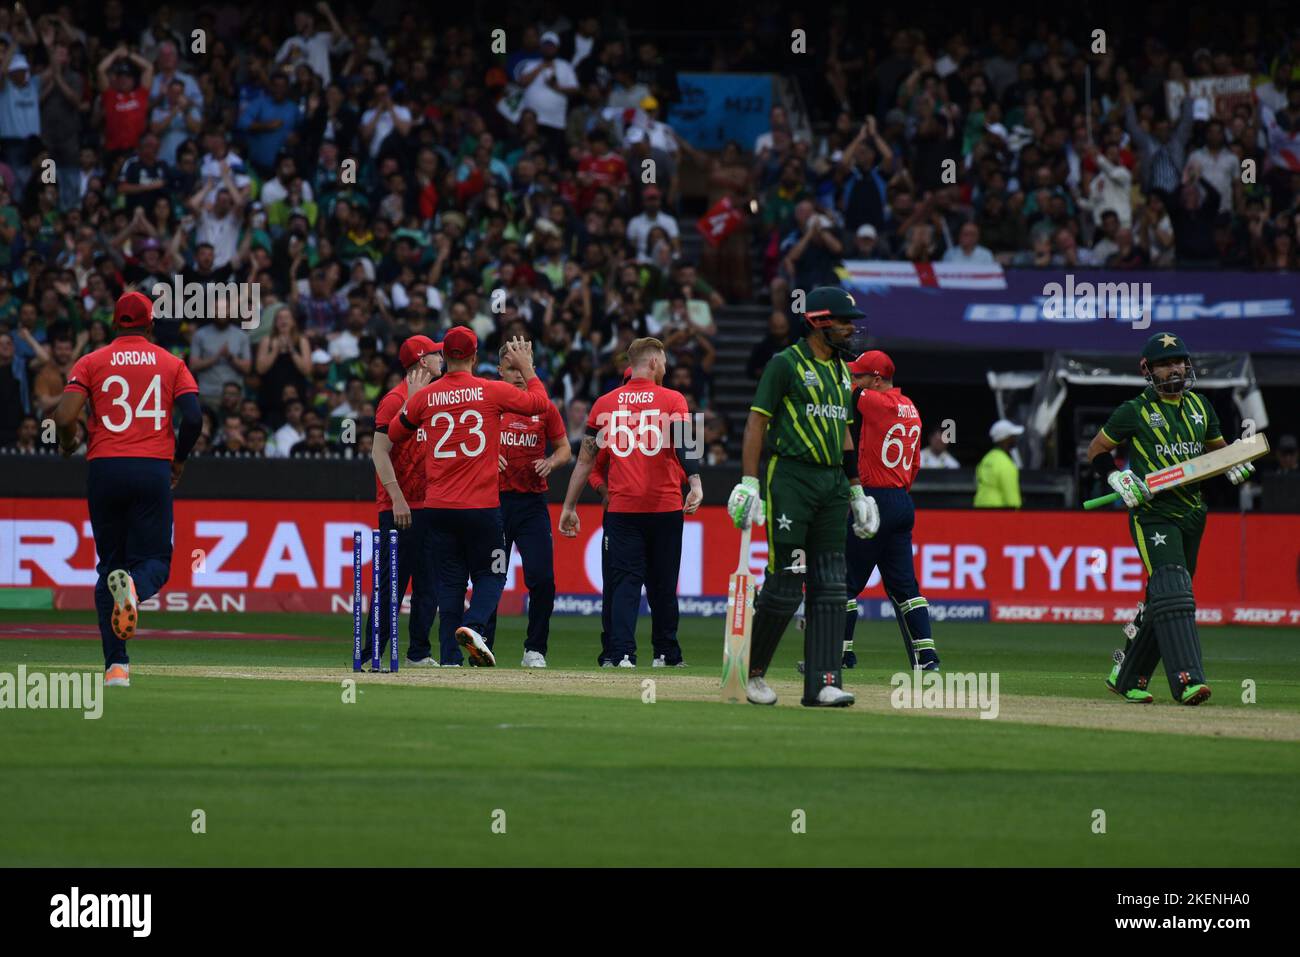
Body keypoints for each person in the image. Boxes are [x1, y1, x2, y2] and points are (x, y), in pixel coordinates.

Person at [727, 287, 879, 708]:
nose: (852, 329)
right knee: (787, 581)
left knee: (831, 584)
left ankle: (823, 683)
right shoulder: (784, 365)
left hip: (831, 484)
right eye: (845, 321)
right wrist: (749, 481)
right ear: (818, 322)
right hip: (791, 477)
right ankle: (752, 672)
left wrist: (857, 489)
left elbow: (845, 431)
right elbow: (757, 424)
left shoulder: (843, 372)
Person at [1088, 332, 1253, 706]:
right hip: (1152, 514)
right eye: (1164, 363)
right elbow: (1097, 450)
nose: (1174, 367)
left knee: (1163, 597)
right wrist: (1116, 475)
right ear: (1148, 369)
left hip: (1193, 512)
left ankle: (1127, 675)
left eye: (1178, 360)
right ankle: (1187, 680)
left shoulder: (1201, 407)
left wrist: (1232, 465)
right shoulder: (1133, 410)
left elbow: (1218, 452)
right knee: (1175, 590)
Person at [49, 292, 202, 688]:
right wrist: (180, 459)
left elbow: (64, 415)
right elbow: (195, 418)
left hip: (105, 470)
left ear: (116, 323)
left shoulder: (91, 361)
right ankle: (134, 588)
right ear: (150, 325)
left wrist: (68, 443)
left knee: (109, 568)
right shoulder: (172, 363)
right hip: (152, 470)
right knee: (155, 562)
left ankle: (117, 666)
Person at [387, 330, 550, 666]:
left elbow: (393, 433)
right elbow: (539, 404)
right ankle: (474, 626)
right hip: (481, 507)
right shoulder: (491, 390)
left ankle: (449, 657)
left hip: (437, 508)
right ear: (475, 357)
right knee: (493, 573)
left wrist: (411, 400)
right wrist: (527, 367)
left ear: (445, 356)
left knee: (451, 581)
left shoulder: (426, 396)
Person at [559, 337, 702, 668]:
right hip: (665, 508)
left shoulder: (604, 403)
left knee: (624, 584)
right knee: (663, 586)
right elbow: (685, 447)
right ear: (653, 362)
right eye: (664, 362)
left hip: (622, 511)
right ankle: (666, 653)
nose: (666, 368)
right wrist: (695, 482)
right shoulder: (673, 399)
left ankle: (621, 653)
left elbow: (584, 462)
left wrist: (569, 506)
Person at [841, 351, 939, 671]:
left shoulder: (875, 402)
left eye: (861, 375)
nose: (856, 379)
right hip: (901, 499)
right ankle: (927, 657)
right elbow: (915, 465)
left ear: (877, 380)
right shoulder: (912, 408)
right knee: (905, 587)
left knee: (843, 582)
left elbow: (845, 389)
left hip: (874, 499)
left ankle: (840, 654)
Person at [485, 342, 571, 666]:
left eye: (524, 369)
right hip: (494, 504)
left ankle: (535, 649)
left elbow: (564, 448)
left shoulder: (543, 406)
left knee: (543, 579)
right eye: (512, 369)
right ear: (499, 371)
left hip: (532, 504)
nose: (520, 377)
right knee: (492, 576)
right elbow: (469, 443)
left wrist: (552, 462)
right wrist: (487, 458)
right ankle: (484, 645)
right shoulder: (490, 402)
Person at [371, 334, 442, 667]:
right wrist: (397, 498)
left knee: (429, 584)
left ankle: (419, 653)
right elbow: (379, 453)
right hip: (399, 508)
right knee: (391, 584)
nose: (442, 360)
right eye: (437, 355)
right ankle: (371, 654)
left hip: (432, 507)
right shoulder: (394, 400)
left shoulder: (437, 399)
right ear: (423, 361)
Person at [974, 419, 1023, 508]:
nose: (1015, 439)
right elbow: (1012, 499)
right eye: (1012, 436)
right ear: (1005, 439)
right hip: (998, 514)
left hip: (980, 511)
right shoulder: (1006, 464)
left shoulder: (986, 459)